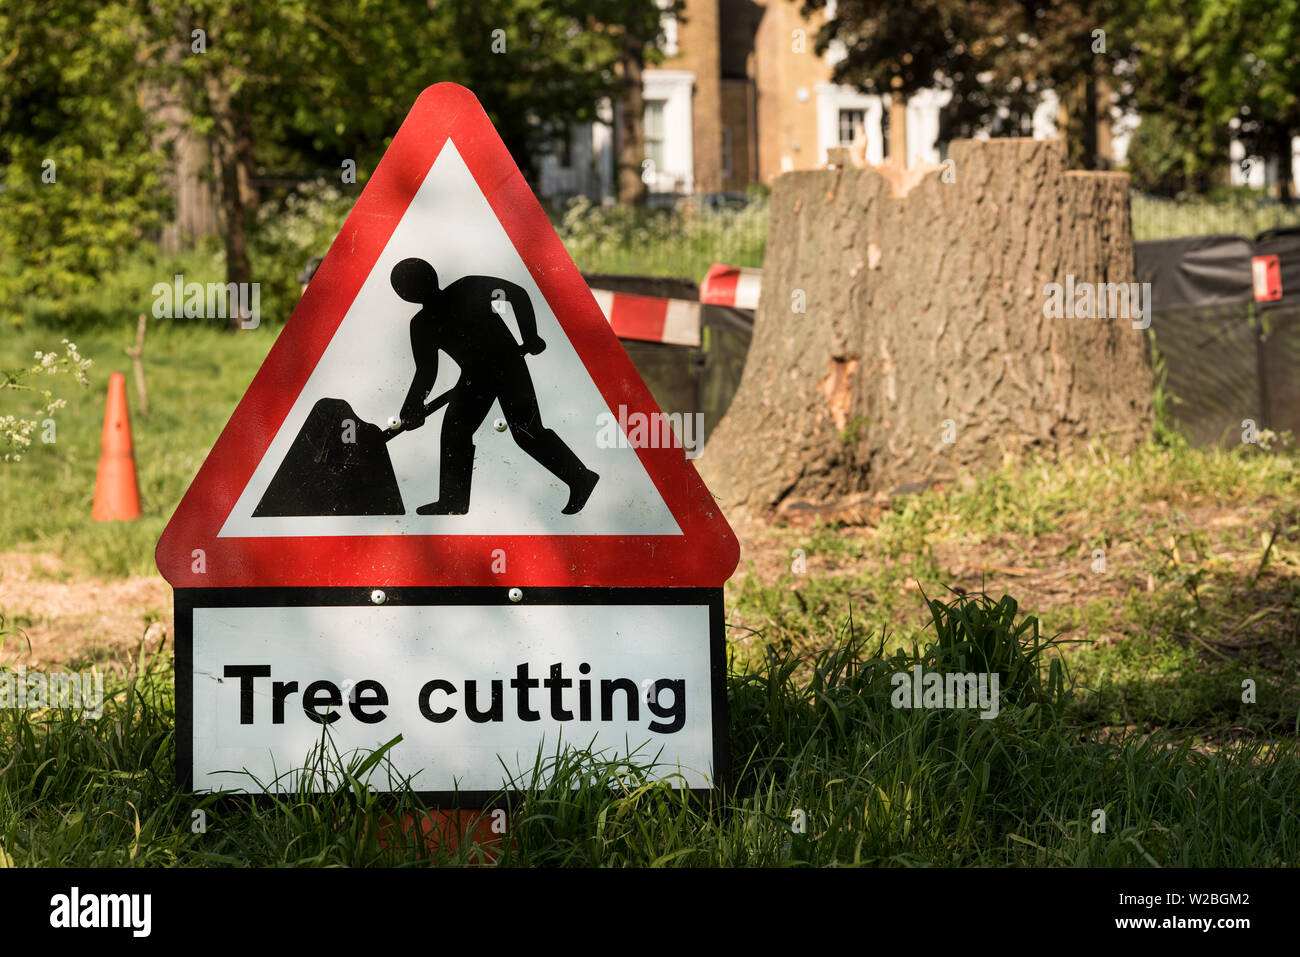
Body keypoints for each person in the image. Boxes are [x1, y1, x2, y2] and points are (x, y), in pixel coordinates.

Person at [393, 257, 599, 516]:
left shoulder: (466, 290)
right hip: (474, 378)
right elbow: (426, 371)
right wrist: (412, 405)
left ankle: (580, 478)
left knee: (526, 432)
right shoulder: (423, 324)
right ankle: (453, 500)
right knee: (455, 433)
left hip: (508, 366)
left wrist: (530, 335)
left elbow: (516, 293)